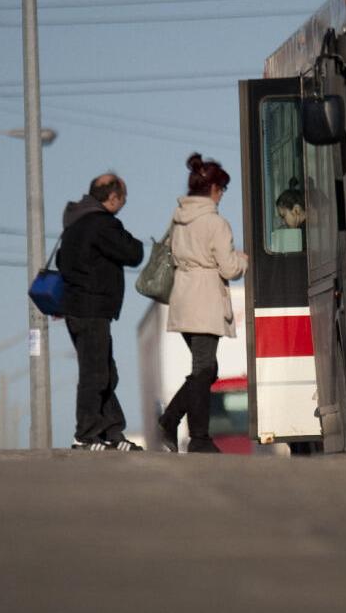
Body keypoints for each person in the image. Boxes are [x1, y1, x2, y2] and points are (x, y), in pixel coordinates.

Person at [157, 153, 248, 454]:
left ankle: (174, 422)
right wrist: (243, 260)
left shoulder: (178, 219)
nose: (222, 195)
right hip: (206, 300)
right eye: (222, 189)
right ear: (213, 189)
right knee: (203, 369)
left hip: (182, 299)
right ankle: (195, 436)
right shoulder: (215, 223)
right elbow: (229, 268)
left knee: (206, 369)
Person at [57, 172, 144, 451]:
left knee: (105, 371)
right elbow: (133, 253)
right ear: (113, 197)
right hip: (92, 307)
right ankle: (85, 434)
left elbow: (61, 261)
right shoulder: (102, 224)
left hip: (76, 309)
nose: (124, 203)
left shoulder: (73, 223)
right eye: (124, 198)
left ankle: (112, 431)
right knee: (95, 373)